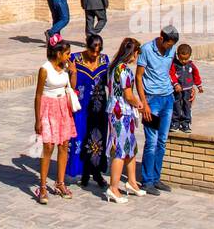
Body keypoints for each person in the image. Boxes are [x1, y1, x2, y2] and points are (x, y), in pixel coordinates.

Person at [136, 25, 181, 193]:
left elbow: (170, 69)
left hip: (167, 99)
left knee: (162, 141)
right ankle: (147, 181)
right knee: (151, 142)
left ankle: (156, 177)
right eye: (168, 44)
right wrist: (144, 103)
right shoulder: (146, 50)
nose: (170, 47)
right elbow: (138, 77)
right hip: (152, 101)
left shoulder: (172, 49)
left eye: (172, 45)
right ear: (161, 38)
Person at [32, 37, 77, 203]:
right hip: (48, 107)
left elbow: (72, 86)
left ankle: (60, 182)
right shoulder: (44, 69)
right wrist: (37, 120)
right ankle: (42, 186)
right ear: (58, 53)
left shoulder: (66, 68)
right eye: (67, 54)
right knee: (48, 146)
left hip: (63, 107)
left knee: (64, 145)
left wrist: (73, 72)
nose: (69, 56)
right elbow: (37, 95)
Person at [105, 37, 145, 203]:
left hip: (120, 112)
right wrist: (139, 103)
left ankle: (132, 182)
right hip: (120, 113)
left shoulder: (114, 67)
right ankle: (113, 188)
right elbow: (128, 95)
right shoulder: (124, 70)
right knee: (120, 149)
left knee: (131, 147)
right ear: (133, 53)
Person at [67, 33, 109, 186]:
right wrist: (73, 73)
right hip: (81, 107)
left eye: (98, 51)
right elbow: (72, 85)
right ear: (87, 47)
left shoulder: (104, 60)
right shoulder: (75, 59)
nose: (95, 55)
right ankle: (83, 172)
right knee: (81, 137)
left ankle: (96, 172)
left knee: (98, 138)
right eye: (93, 51)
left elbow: (108, 82)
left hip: (99, 107)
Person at [170, 43, 203, 132]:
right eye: (181, 59)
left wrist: (199, 85)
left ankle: (186, 123)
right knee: (176, 105)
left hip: (188, 90)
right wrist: (175, 84)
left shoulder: (191, 65)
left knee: (186, 106)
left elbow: (196, 75)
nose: (184, 61)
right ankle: (175, 122)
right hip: (177, 90)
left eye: (186, 59)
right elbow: (171, 75)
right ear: (178, 56)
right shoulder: (175, 65)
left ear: (190, 56)